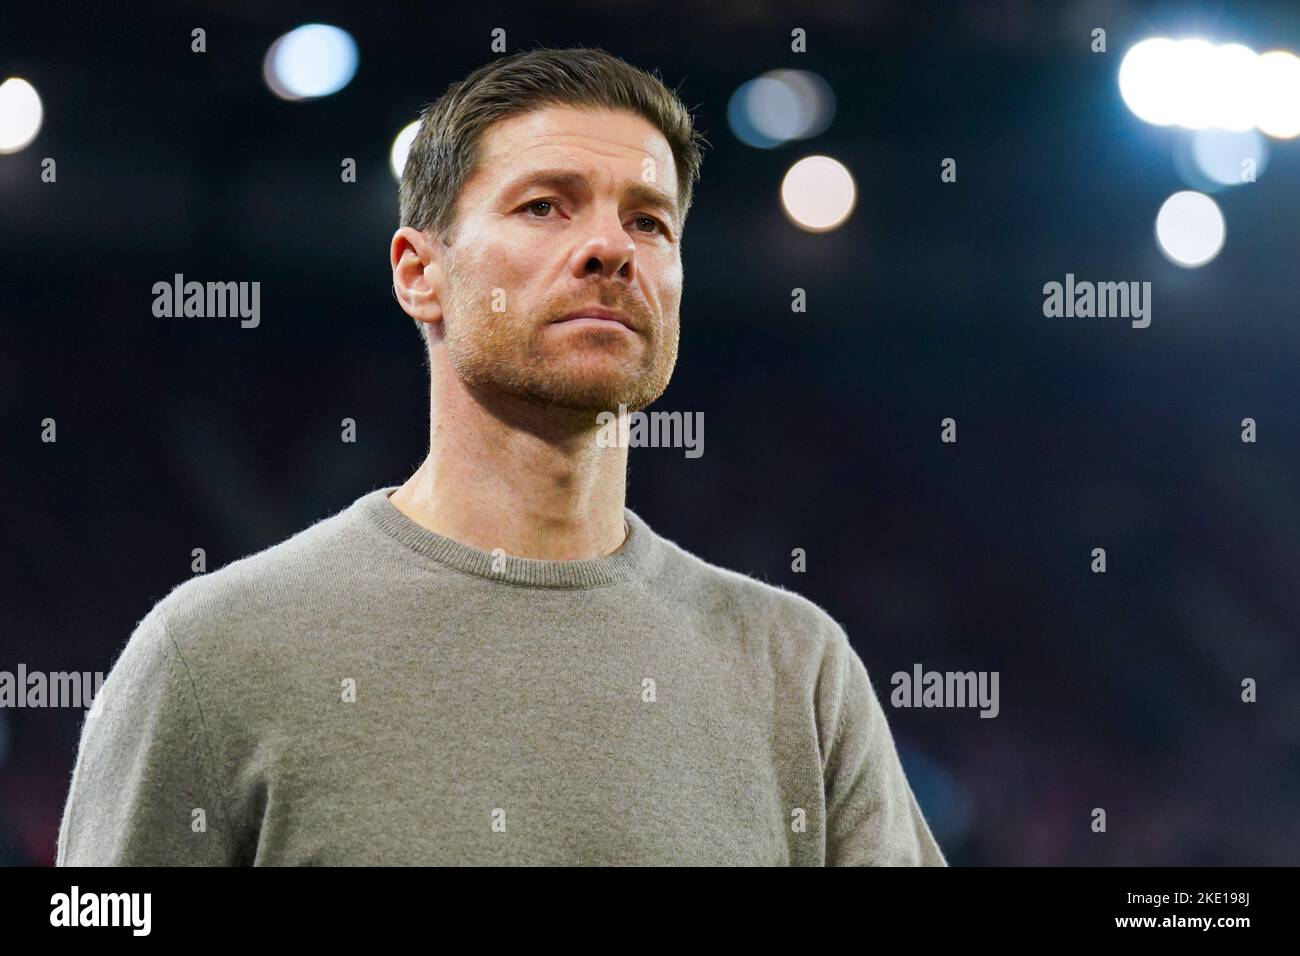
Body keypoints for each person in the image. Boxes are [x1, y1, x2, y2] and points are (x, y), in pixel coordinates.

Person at [56, 46, 946, 866]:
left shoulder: (799, 671)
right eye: (543, 205)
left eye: (649, 222)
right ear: (419, 272)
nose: (609, 249)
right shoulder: (212, 656)